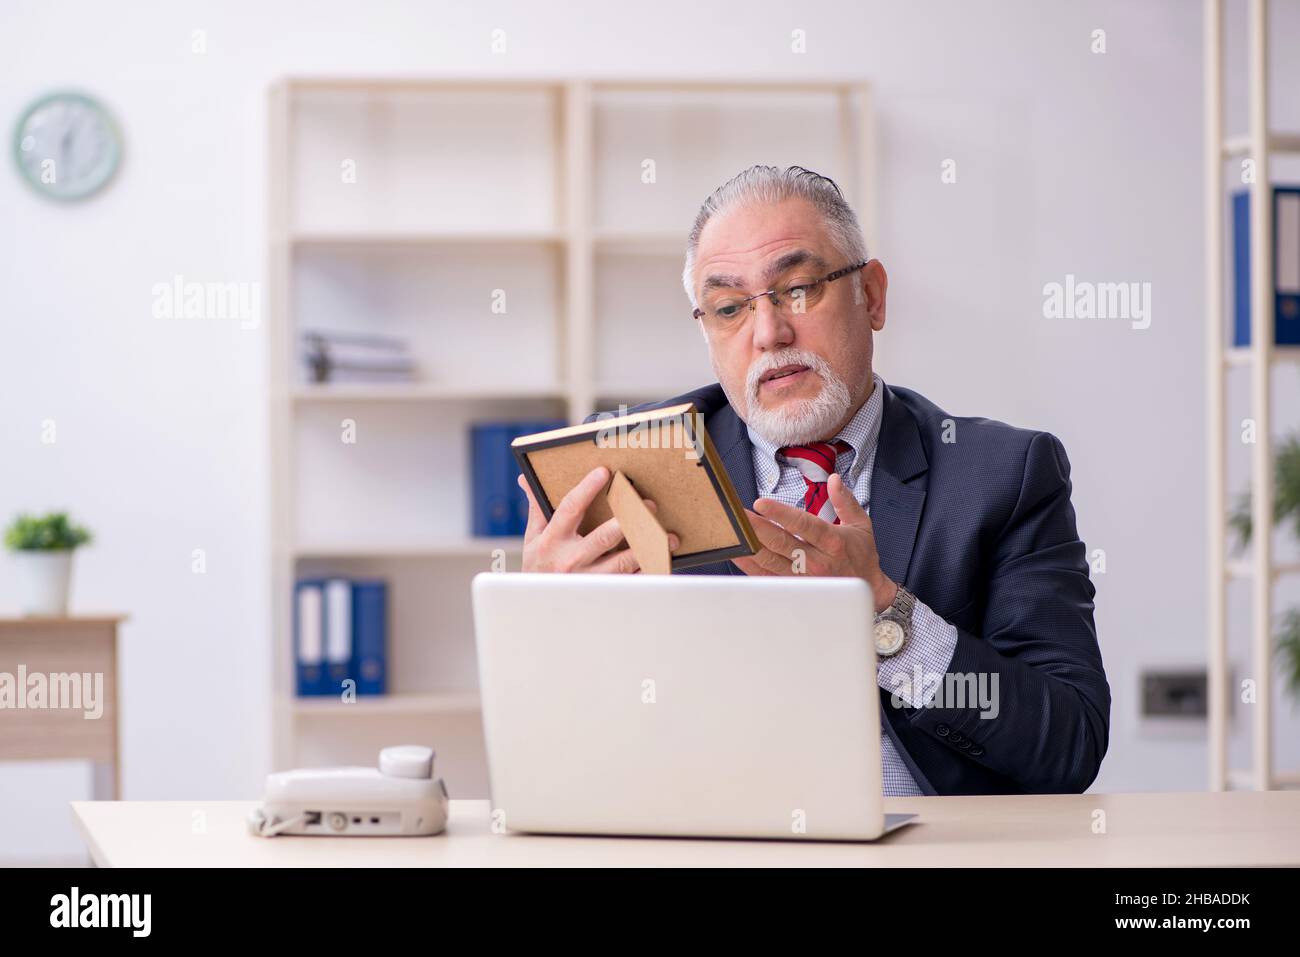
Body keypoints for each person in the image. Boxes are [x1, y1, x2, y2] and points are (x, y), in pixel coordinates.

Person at [517, 165, 1109, 795]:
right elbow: (571, 750)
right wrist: (544, 627)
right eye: (729, 308)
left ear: (872, 296)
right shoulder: (628, 467)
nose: (769, 334)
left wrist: (884, 613)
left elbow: (1068, 745)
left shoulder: (1003, 474)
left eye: (798, 290)